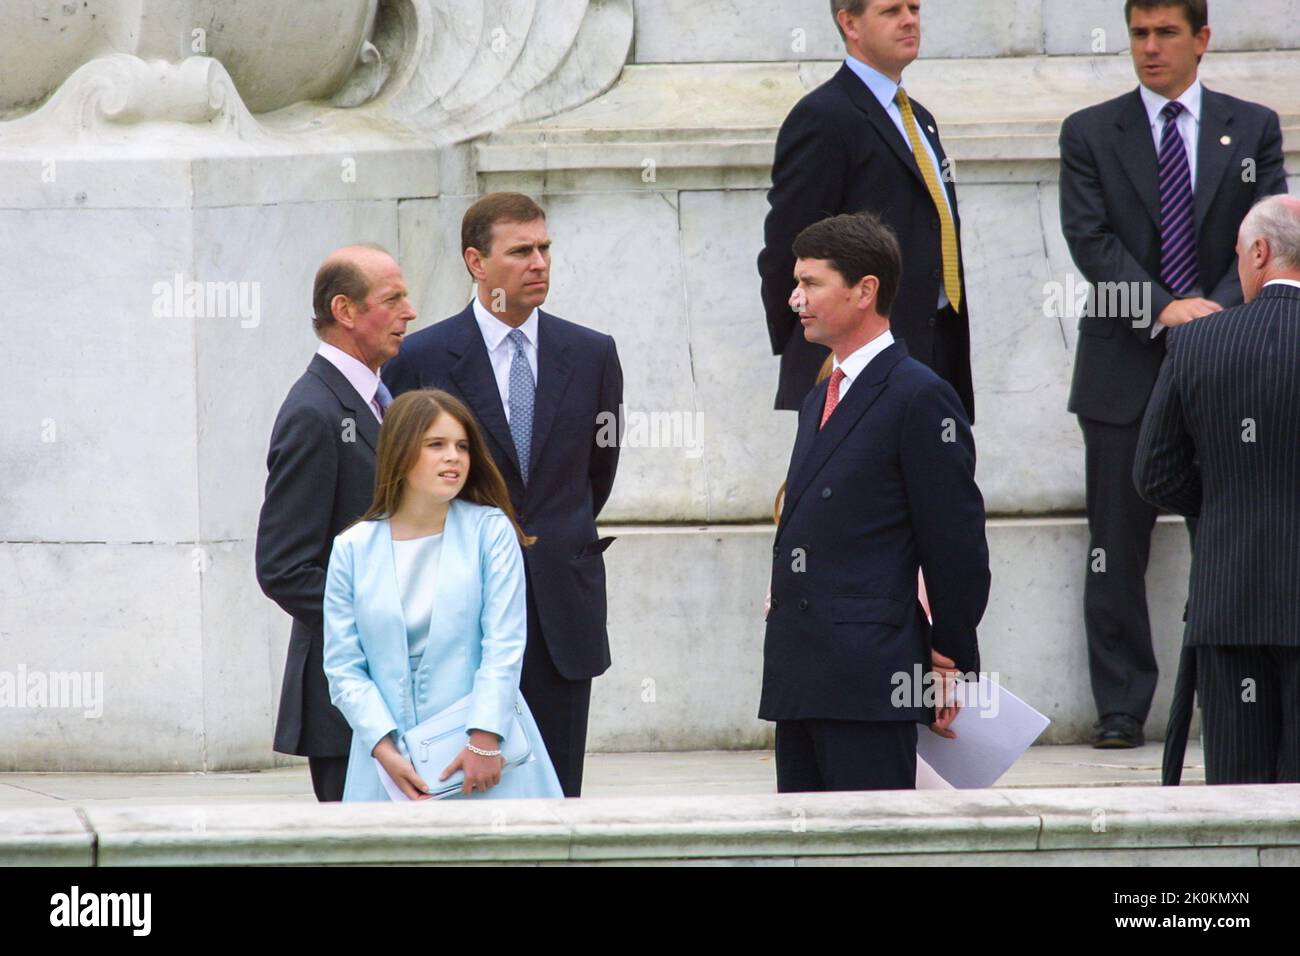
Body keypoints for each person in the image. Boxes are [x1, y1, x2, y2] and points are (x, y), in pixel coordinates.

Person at [1059, 0, 1288, 749]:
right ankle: (1123, 705)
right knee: (1114, 543)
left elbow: (1270, 232)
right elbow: (1091, 245)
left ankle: (1231, 689)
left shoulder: (1251, 126)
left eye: (1165, 34)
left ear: (1202, 40)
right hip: (1123, 367)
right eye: (1139, 34)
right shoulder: (1090, 132)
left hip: (1228, 366)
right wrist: (1166, 309)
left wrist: (1212, 316)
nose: (1150, 49)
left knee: (1227, 533)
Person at [382, 193, 623, 797]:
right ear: (476, 262)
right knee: (461, 798)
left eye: (545, 249)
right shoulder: (420, 358)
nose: (539, 262)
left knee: (556, 797)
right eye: (521, 251)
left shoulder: (592, 353)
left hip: (560, 613)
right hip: (456, 611)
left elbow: (597, 472)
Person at [762, 211, 990, 792]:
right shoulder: (822, 395)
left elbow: (955, 539)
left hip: (871, 680)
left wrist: (948, 660)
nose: (795, 299)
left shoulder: (920, 396)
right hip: (803, 674)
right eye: (796, 283)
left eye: (811, 283)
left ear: (865, 290)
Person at [323, 389, 563, 801]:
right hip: (388, 765)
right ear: (400, 451)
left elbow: (504, 644)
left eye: (462, 446)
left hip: (482, 753)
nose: (453, 456)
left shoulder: (490, 531)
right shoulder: (352, 547)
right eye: (436, 445)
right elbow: (343, 665)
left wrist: (485, 737)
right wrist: (382, 749)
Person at [1134, 195, 1300, 785]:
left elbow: (1154, 475)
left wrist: (1229, 503)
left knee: (1239, 797)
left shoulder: (1198, 342)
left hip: (1231, 598)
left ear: (1260, 252)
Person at [758, 0, 974, 421]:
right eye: (892, 10)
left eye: (914, 7)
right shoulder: (823, 116)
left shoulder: (919, 118)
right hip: (860, 364)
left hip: (931, 348)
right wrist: (810, 343)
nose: (910, 19)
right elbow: (788, 244)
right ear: (850, 23)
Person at [256, 244, 415, 802]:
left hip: (394, 692)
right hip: (343, 704)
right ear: (345, 311)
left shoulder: (377, 398)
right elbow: (283, 568)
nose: (410, 312)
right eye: (392, 299)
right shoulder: (313, 411)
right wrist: (387, 615)